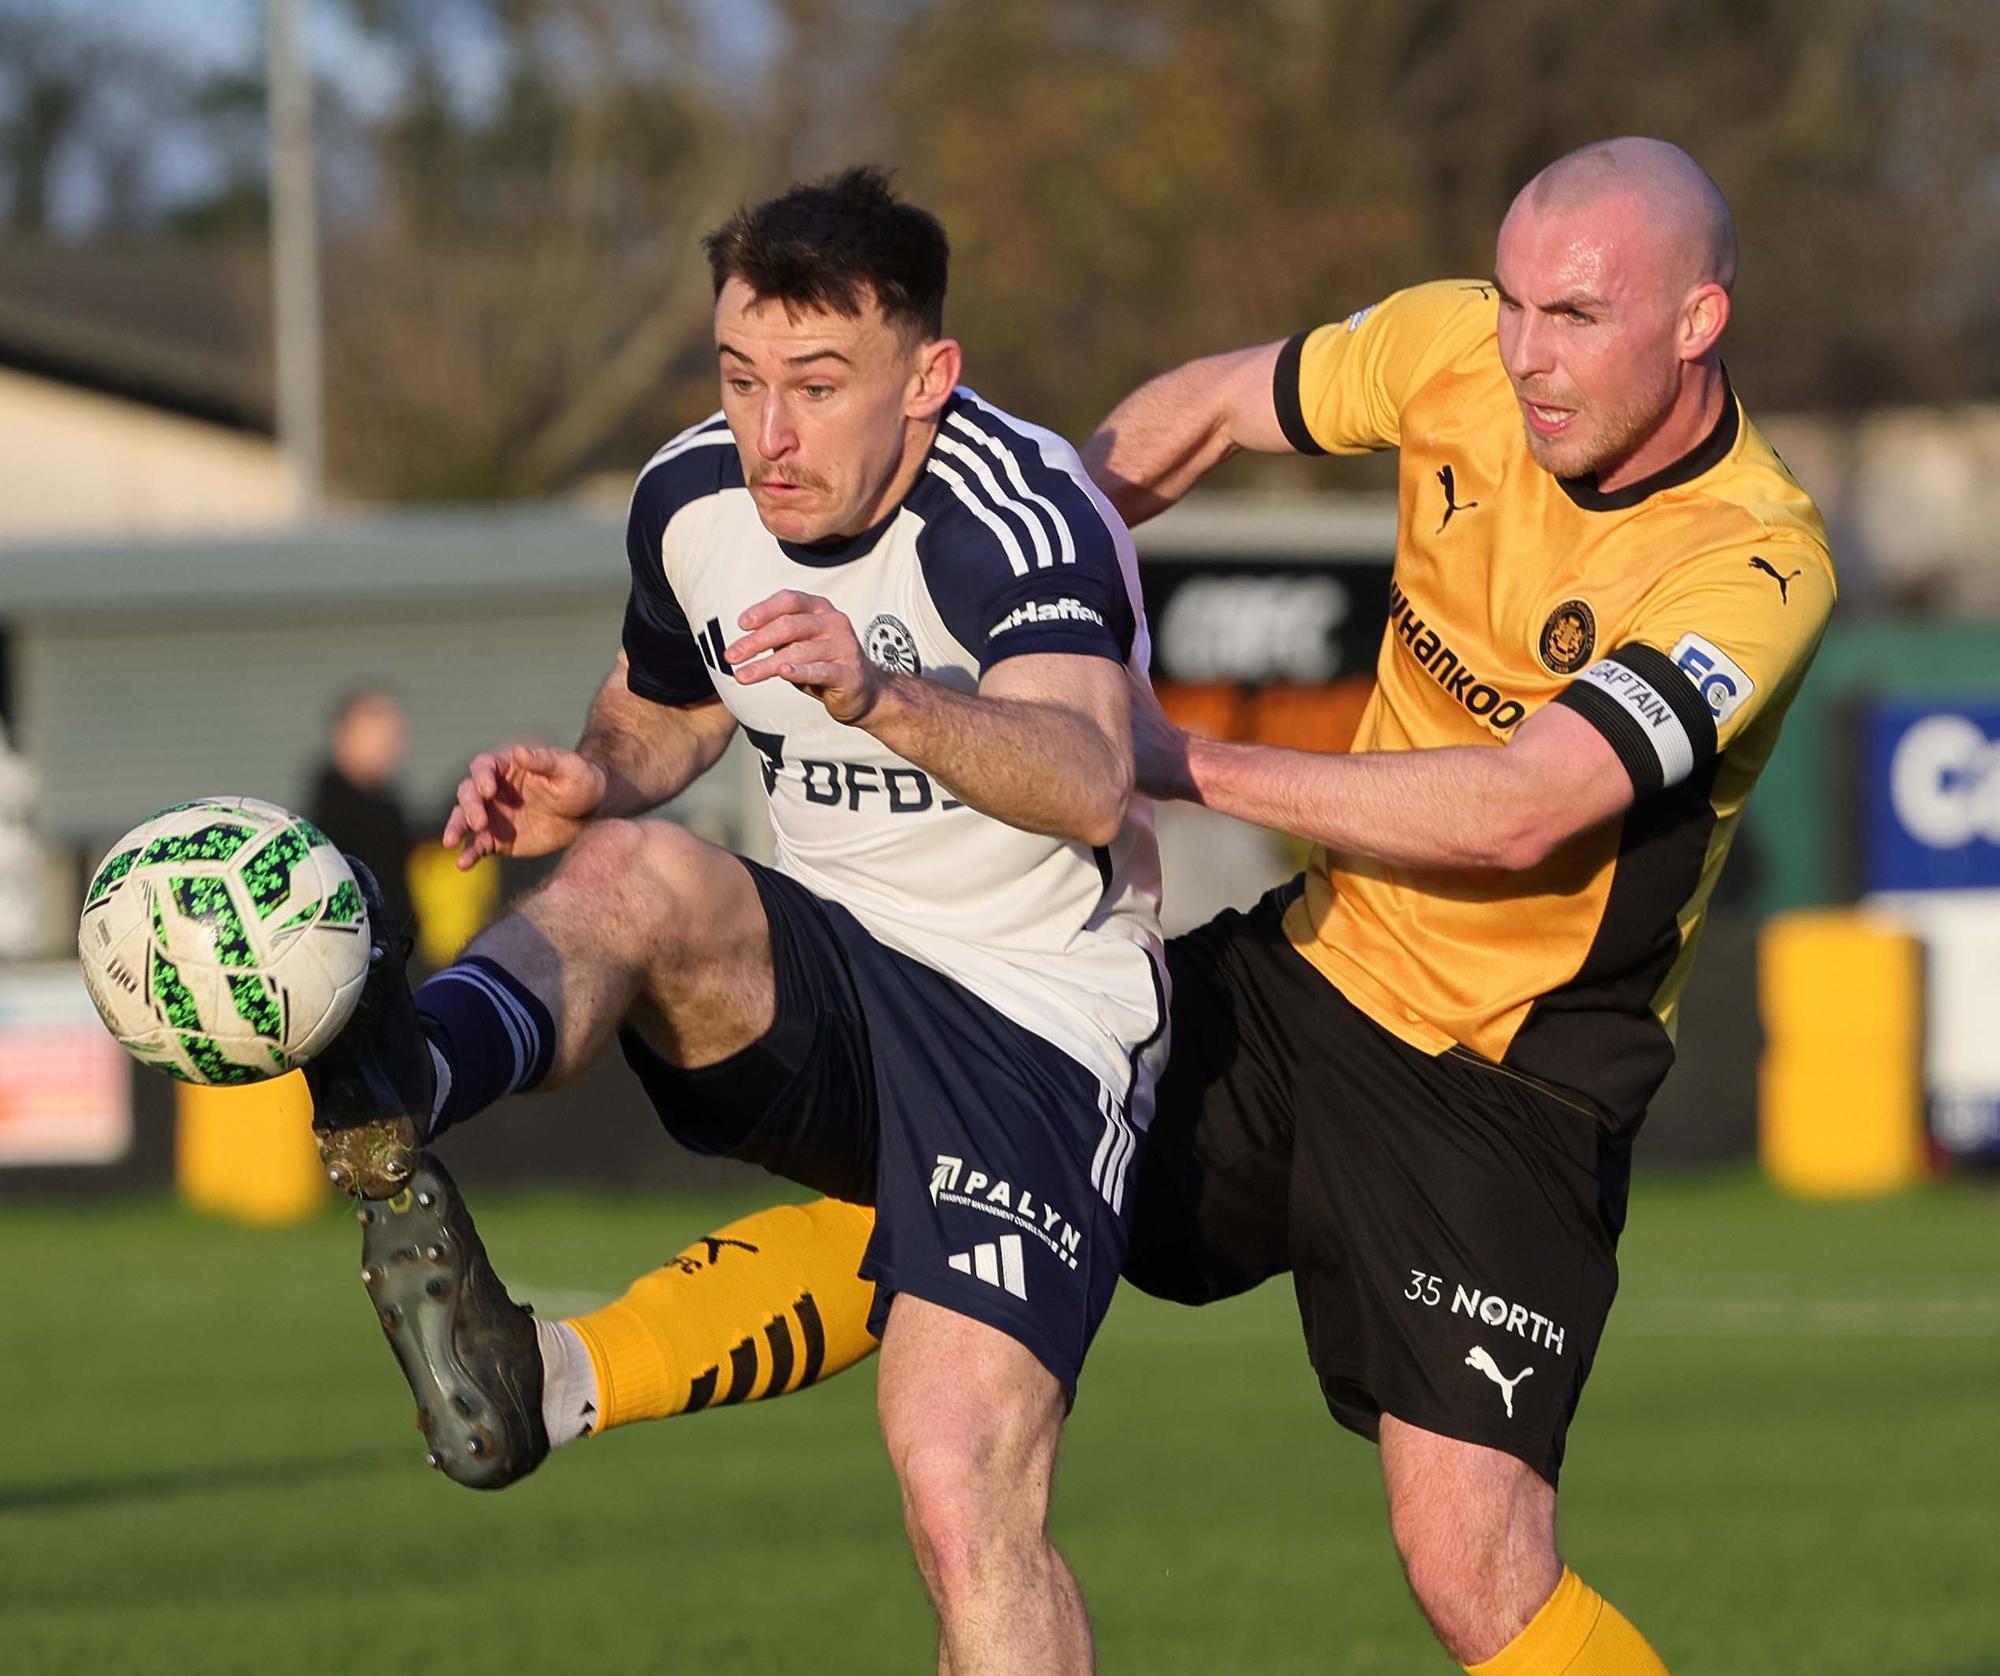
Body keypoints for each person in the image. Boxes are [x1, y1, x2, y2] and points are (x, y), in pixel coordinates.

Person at [355, 136, 1834, 1675]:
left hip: (1508, 1078)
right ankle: (562, 1373)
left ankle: (566, 1367)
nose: (1525, 352)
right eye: (1516, 302)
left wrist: (1174, 754)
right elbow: (1202, 406)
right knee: (991, 1160)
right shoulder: (1457, 344)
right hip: (1307, 974)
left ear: (1698, 322)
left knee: (1470, 1562)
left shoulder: (1754, 561)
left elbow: (1530, 803)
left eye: (1577, 319)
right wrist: (1036, 571)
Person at [304, 168, 1166, 1676]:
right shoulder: (691, 497)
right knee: (633, 874)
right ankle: (397, 1087)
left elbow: (1093, 781)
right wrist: (595, 772)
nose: (770, 433)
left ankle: (560, 1370)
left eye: (819, 387)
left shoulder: (1016, 515)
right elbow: (663, 705)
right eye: (742, 377)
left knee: (957, 1482)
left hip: (1033, 1020)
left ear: (929, 378)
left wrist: (878, 691)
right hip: (828, 971)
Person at [304, 687, 420, 948]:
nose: (391, 738)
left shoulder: (391, 810)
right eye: (377, 725)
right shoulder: (324, 823)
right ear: (344, 735)